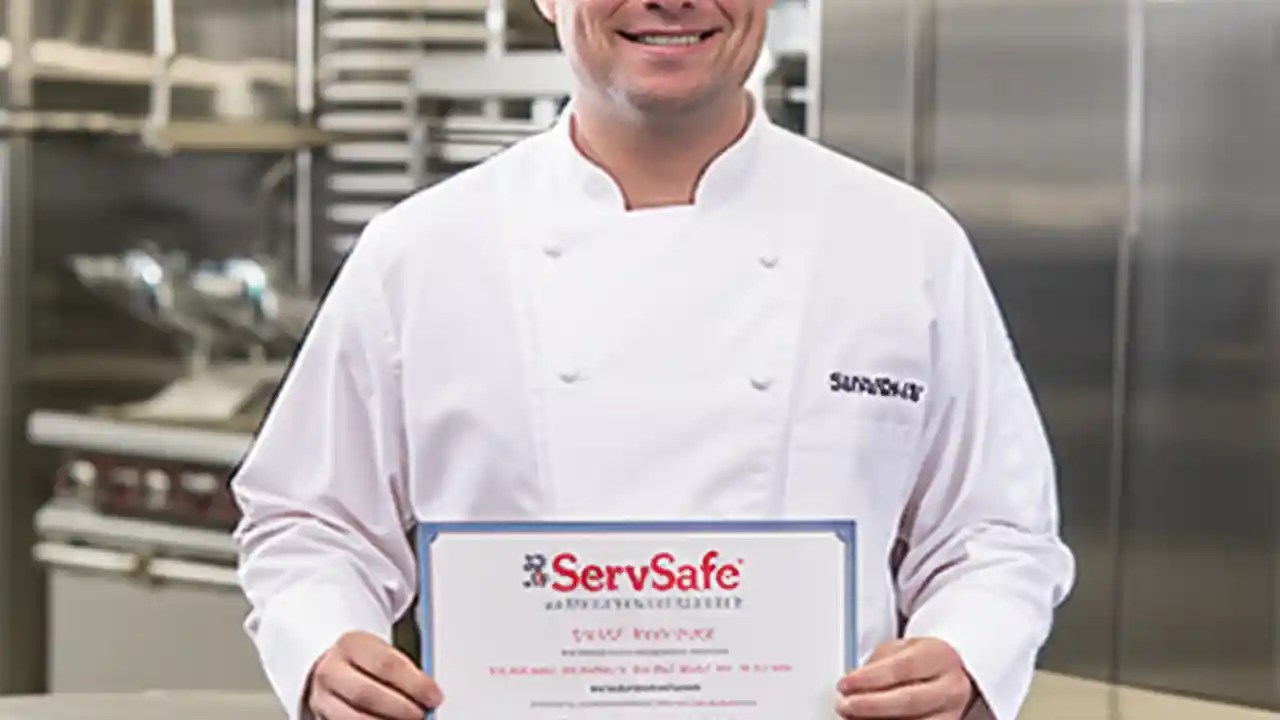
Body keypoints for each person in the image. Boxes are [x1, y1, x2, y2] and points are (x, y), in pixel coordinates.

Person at [230, 1, 1075, 719]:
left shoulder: (905, 243)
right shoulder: (418, 253)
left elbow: (994, 532)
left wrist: (968, 652)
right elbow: (309, 521)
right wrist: (323, 646)